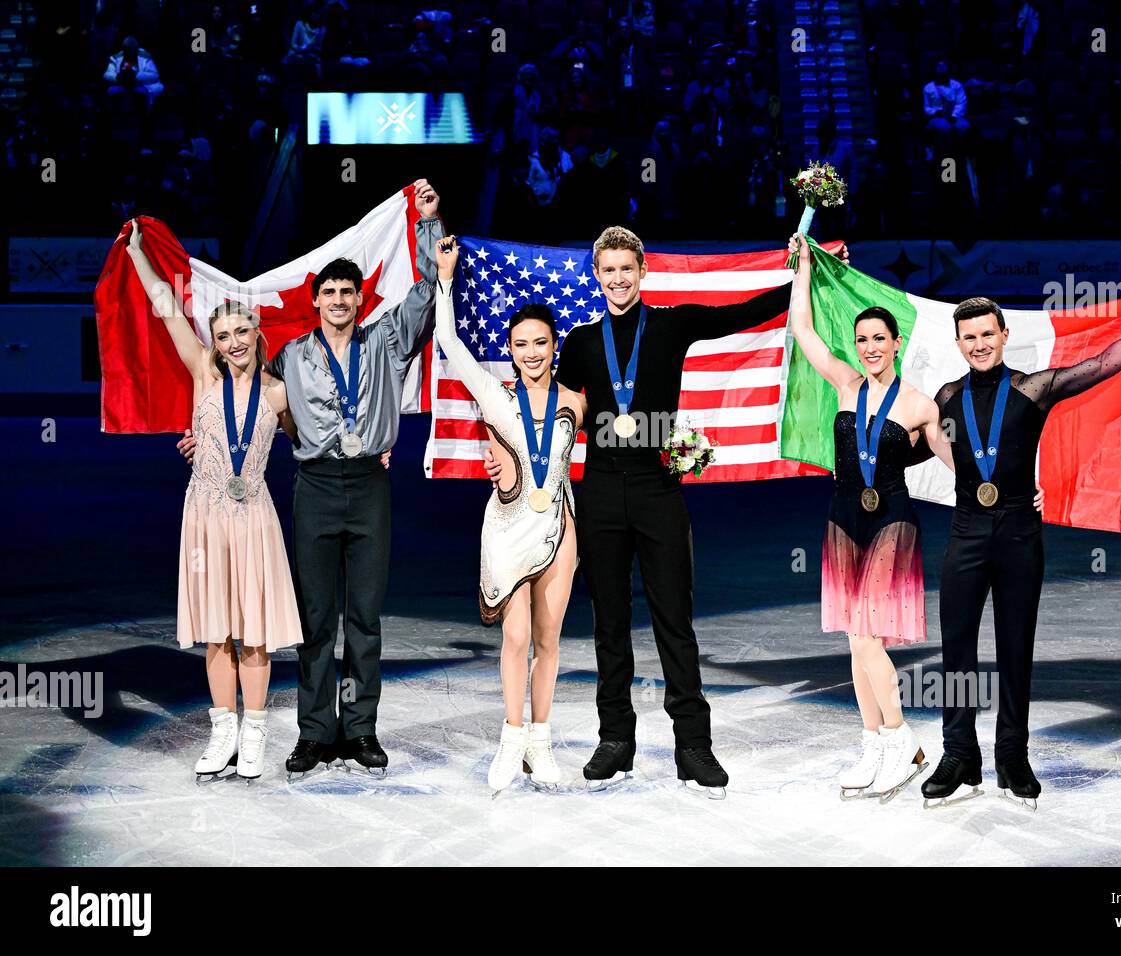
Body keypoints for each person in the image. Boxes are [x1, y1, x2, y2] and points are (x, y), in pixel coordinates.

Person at [485, 227, 850, 798]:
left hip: (658, 491)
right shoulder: (580, 342)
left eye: (626, 269)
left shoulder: (673, 324)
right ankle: (615, 741)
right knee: (609, 623)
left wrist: (806, 272)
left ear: (642, 270)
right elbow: (537, 402)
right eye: (607, 270)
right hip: (602, 493)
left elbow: (746, 312)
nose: (617, 279)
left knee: (674, 621)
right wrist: (501, 451)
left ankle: (693, 746)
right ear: (597, 275)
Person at [181, 180, 446, 780]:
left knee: (365, 619)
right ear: (317, 299)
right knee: (315, 619)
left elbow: (427, 293)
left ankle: (361, 731)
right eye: (328, 292)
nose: (338, 301)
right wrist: (207, 438)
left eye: (347, 292)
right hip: (317, 488)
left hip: (369, 487)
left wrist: (427, 224)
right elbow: (240, 395)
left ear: (359, 299)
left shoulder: (386, 340)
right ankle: (315, 733)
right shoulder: (292, 355)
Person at [921, 284, 1121, 809]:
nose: (978, 344)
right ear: (958, 343)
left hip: (1020, 533)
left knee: (1015, 650)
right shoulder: (947, 398)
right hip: (967, 534)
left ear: (1004, 335)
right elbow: (923, 440)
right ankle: (959, 754)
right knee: (958, 650)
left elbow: (1103, 363)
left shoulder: (1033, 388)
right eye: (968, 337)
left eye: (986, 334)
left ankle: (1012, 757)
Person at [125, 219, 299, 784]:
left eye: (240, 333)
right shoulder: (203, 373)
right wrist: (137, 255)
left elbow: (310, 442)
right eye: (222, 336)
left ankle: (254, 734)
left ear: (256, 332)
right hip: (204, 517)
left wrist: (371, 452)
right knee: (216, 631)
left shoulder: (277, 391)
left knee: (255, 632)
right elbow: (165, 306)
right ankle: (222, 730)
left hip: (253, 519)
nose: (232, 344)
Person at [786, 234, 939, 800]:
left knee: (868, 637)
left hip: (892, 521)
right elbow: (803, 332)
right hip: (844, 518)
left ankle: (898, 738)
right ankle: (876, 742)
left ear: (896, 343)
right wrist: (803, 266)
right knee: (855, 640)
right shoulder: (847, 385)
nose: (870, 346)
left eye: (879, 338)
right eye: (862, 339)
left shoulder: (919, 403)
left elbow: (955, 456)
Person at [433, 236, 584, 795]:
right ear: (511, 348)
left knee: (548, 639)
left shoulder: (576, 400)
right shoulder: (495, 397)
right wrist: (446, 276)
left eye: (540, 342)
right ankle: (511, 739)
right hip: (506, 528)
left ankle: (540, 743)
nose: (531, 353)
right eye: (521, 344)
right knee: (515, 636)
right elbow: (447, 340)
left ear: (554, 344)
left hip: (559, 526)